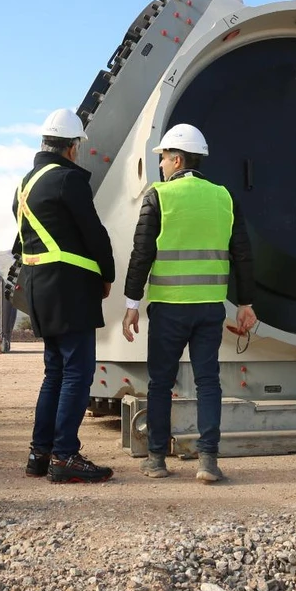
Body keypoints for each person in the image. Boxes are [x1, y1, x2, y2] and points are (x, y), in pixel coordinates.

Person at [121, 124, 257, 483]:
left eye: (163, 158)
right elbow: (242, 255)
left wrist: (132, 303)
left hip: (168, 308)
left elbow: (142, 253)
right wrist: (246, 303)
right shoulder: (224, 197)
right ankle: (208, 461)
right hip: (210, 308)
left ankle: (155, 460)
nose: (161, 165)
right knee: (208, 382)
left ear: (177, 159)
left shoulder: (159, 197)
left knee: (161, 383)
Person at [12, 108, 116, 484]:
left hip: (39, 288)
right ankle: (65, 455)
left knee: (54, 372)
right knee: (77, 372)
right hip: (69, 287)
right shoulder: (67, 180)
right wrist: (107, 273)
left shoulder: (24, 185)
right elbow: (93, 232)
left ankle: (40, 453)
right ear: (72, 148)